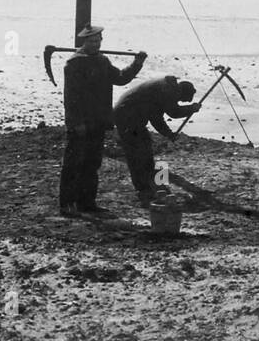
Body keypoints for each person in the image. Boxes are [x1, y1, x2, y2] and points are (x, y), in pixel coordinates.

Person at [59, 24, 145, 218]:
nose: (96, 44)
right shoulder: (73, 64)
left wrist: (137, 64)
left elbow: (121, 78)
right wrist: (75, 123)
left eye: (98, 41)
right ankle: (67, 204)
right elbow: (70, 98)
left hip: (98, 122)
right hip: (80, 124)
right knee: (73, 164)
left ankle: (87, 203)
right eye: (91, 41)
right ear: (84, 42)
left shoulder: (102, 61)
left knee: (92, 164)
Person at [113, 75, 200, 206]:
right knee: (136, 152)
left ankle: (149, 185)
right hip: (127, 114)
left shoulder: (164, 88)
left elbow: (156, 118)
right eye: (182, 100)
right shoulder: (169, 90)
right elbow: (174, 112)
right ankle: (143, 189)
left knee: (145, 148)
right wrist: (191, 109)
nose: (179, 101)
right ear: (181, 92)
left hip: (128, 114)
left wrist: (168, 133)